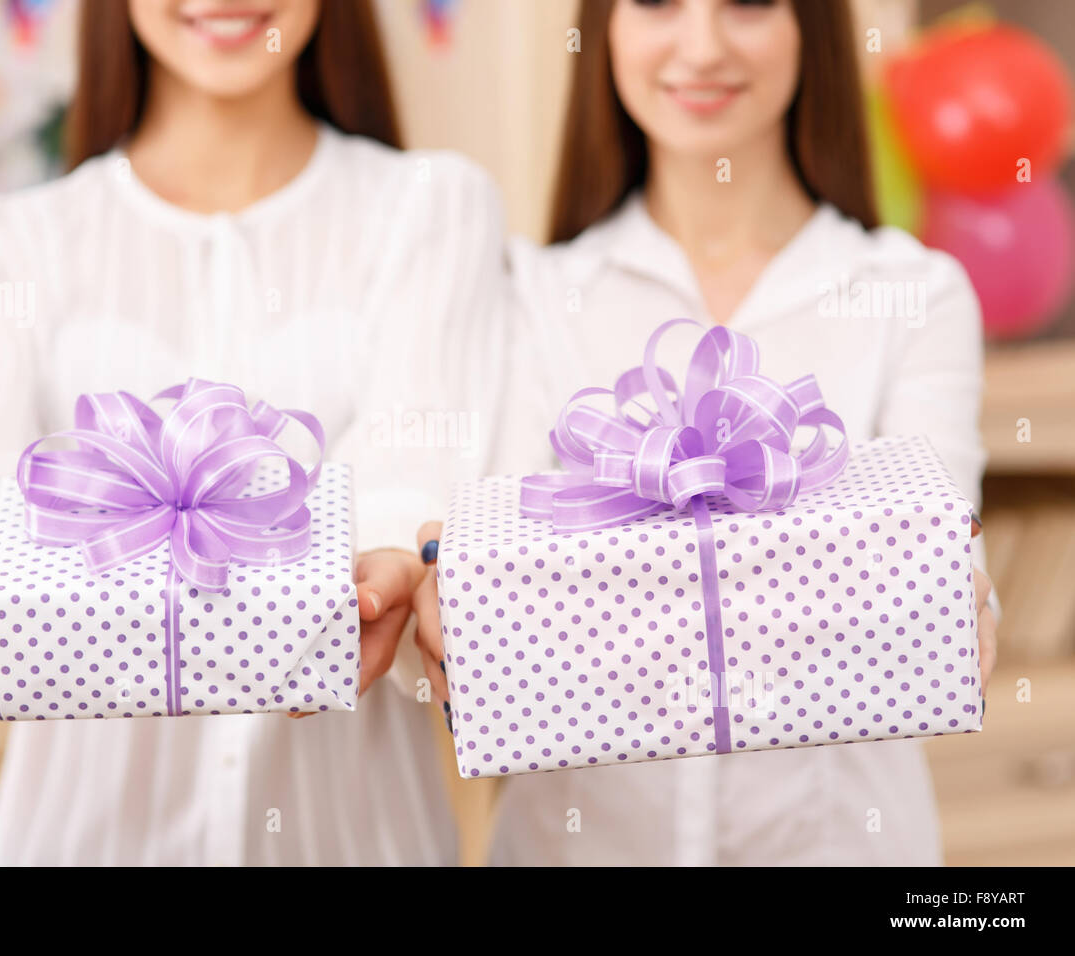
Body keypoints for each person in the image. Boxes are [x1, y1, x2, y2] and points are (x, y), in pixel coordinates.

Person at [0, 0, 506, 865]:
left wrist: (395, 558)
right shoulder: (2, 244)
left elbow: (412, 476)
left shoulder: (434, 209)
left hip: (354, 837)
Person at [412, 0, 998, 866]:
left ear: (814, 30)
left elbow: (931, 585)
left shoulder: (915, 292)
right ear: (603, 30)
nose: (702, 46)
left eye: (750, 3)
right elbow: (505, 595)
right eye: (656, 3)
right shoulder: (527, 292)